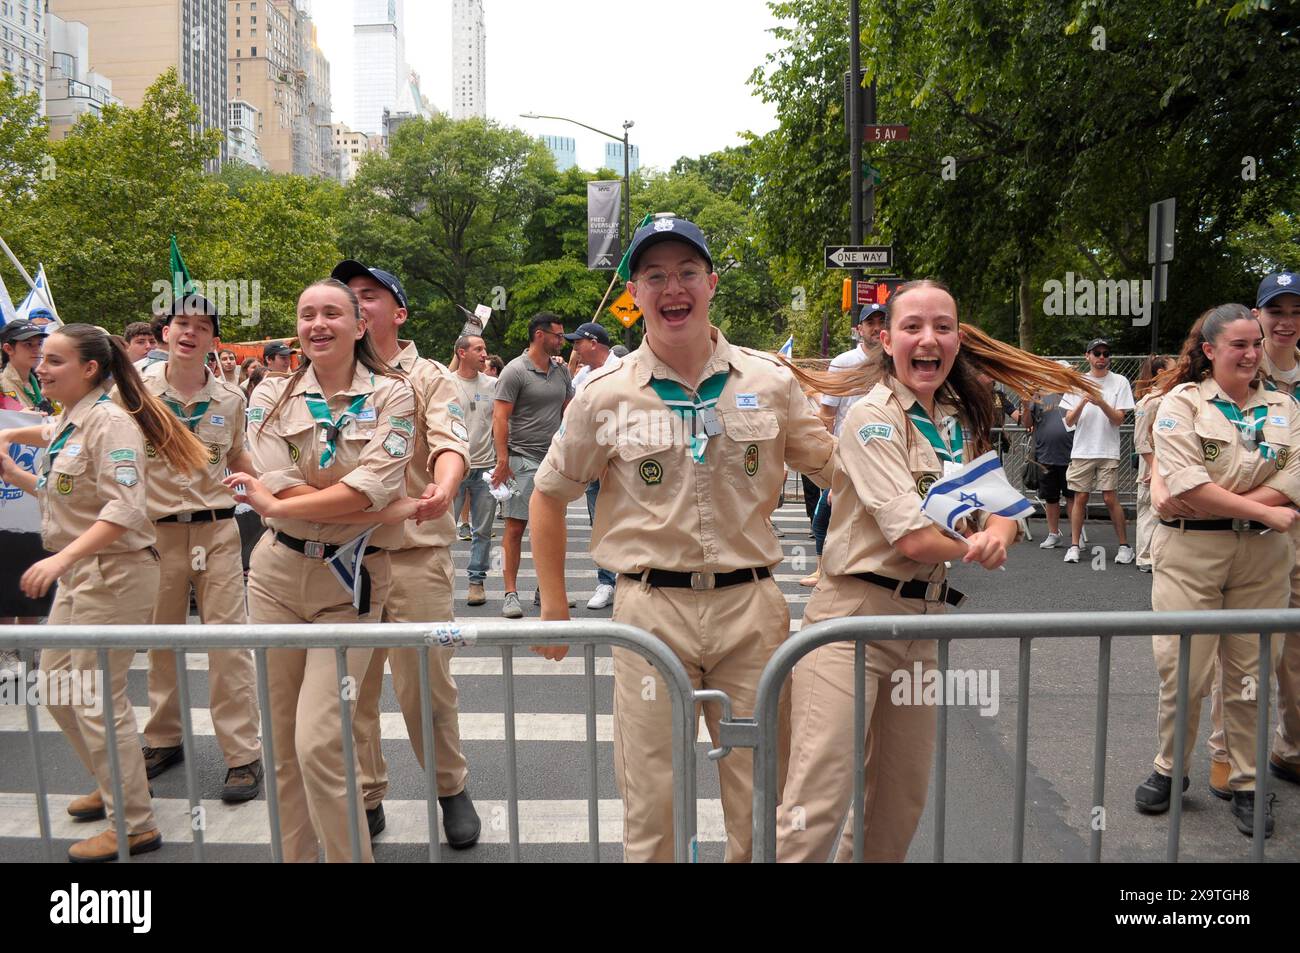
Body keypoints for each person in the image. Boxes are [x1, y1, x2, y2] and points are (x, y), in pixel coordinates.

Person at [530, 216, 838, 862]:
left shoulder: (770, 382)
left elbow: (840, 472)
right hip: (648, 616)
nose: (674, 288)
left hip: (752, 613)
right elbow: (548, 493)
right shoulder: (603, 397)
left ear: (712, 283)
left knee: (763, 807)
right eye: (655, 276)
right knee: (652, 808)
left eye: (687, 273)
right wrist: (553, 605)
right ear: (634, 294)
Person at [775, 280, 1080, 862]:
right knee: (814, 806)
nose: (927, 339)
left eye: (942, 327)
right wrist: (978, 548)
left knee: (898, 804)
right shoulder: (871, 419)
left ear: (957, 340)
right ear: (885, 340)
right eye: (912, 327)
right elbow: (913, 535)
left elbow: (1003, 506)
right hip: (852, 623)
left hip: (924, 624)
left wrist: (997, 531)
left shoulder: (955, 422)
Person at [225, 279, 431, 862]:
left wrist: (283, 505)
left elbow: (374, 484)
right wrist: (338, 500)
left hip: (351, 580)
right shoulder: (268, 394)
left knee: (320, 742)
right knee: (283, 746)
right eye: (308, 314)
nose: (318, 324)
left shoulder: (395, 395)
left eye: (333, 313)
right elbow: (273, 475)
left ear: (359, 325)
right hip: (275, 576)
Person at [0, 323, 209, 862]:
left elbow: (123, 508)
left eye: (53, 360)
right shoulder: (74, 419)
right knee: (55, 689)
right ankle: (115, 780)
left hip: (114, 574)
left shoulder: (111, 423)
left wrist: (63, 557)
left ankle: (133, 823)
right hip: (81, 574)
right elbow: (51, 461)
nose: (40, 368)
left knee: (94, 699)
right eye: (40, 359)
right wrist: (7, 449)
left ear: (90, 369)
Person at [330, 259, 479, 849]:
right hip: (345, 559)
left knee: (426, 687)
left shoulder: (432, 377)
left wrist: (445, 485)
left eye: (369, 295)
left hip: (415, 552)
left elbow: (449, 442)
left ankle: (451, 789)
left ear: (398, 312)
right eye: (350, 297)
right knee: (352, 690)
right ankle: (367, 792)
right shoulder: (330, 376)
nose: (357, 305)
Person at [1139, 304, 1300, 838]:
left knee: (1251, 676)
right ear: (1209, 350)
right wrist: (1265, 511)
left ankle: (1249, 782)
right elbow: (1182, 485)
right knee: (1184, 670)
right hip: (1191, 555)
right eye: (1239, 345)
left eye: (1256, 344)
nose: (1253, 354)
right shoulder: (1179, 405)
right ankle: (1169, 769)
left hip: (1263, 558)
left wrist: (1233, 505)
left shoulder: (1284, 406)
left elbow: (1295, 477)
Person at [134, 294, 264, 803]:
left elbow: (239, 455)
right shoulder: (135, 395)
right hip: (157, 533)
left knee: (228, 643)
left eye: (203, 326)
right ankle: (163, 738)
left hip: (216, 532)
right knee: (160, 639)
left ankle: (241, 754)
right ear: (165, 331)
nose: (190, 332)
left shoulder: (231, 399)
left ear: (214, 339)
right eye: (181, 323)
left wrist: (280, 490)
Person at [491, 313, 573, 619]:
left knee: (552, 528)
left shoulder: (560, 371)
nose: (561, 341)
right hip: (521, 460)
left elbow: (568, 409)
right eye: (558, 335)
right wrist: (502, 460)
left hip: (552, 460)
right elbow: (499, 418)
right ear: (540, 335)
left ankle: (547, 591)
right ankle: (510, 593)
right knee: (514, 528)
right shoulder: (514, 371)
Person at [1253, 271, 1300, 791]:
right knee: (1246, 651)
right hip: (1254, 530)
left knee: (1296, 651)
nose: (1286, 322)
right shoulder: (1239, 365)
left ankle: (1291, 751)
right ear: (1258, 313)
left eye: (1296, 312)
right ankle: (1236, 766)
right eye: (1277, 311)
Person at [804, 303, 885, 587]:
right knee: (827, 517)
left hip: (884, 455)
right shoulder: (843, 362)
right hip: (845, 456)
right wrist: (826, 456)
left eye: (881, 321)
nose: (876, 327)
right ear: (859, 329)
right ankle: (825, 570)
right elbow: (827, 414)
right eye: (870, 322)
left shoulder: (897, 361)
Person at [0, 319, 52, 682]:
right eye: (27, 343)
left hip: (33, 492)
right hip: (7, 496)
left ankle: (30, 646)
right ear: (8, 348)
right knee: (6, 567)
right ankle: (6, 649)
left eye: (38, 343)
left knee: (34, 561)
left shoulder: (40, 386)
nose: (35, 348)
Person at [1060, 338, 1135, 564]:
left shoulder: (1120, 381)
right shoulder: (1077, 382)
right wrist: (1083, 401)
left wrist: (1100, 402)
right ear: (1088, 356)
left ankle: (1124, 546)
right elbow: (1068, 422)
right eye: (1097, 353)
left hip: (1107, 449)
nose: (1101, 357)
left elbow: (1119, 419)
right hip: (1082, 449)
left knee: (1110, 497)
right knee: (1079, 496)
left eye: (1105, 353)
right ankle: (1074, 545)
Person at [566, 322, 623, 610]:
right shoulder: (581, 377)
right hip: (593, 463)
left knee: (626, 523)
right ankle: (606, 582)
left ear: (594, 343)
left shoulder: (623, 370)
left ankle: (628, 579)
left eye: (578, 342)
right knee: (599, 525)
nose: (574, 347)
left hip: (623, 464)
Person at [450, 333, 497, 607]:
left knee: (482, 530)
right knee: (444, 529)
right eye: (478, 349)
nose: (484, 354)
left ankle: (476, 582)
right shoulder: (446, 383)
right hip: (454, 467)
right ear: (461, 352)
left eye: (485, 348)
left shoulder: (493, 384)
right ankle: (441, 581)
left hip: (486, 467)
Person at [1028, 365, 1085, 549]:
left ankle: (1077, 536)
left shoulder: (1077, 394)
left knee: (1072, 497)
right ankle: (1053, 534)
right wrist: (1025, 403)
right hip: (1045, 454)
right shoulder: (1040, 395)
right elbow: (1027, 424)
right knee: (1050, 498)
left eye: (1064, 374)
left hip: (1071, 454)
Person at [1132, 355, 1173, 572]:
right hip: (1152, 465)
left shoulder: (1173, 398)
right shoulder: (1149, 402)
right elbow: (1140, 440)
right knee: (1149, 510)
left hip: (1169, 464)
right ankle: (1145, 556)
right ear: (1160, 372)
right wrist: (1152, 468)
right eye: (1172, 367)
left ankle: (1161, 556)